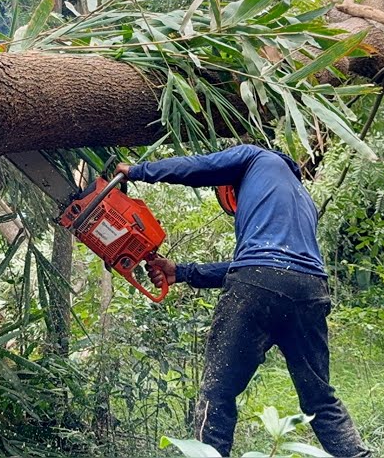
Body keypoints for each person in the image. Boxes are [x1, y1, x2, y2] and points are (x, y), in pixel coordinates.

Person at [115, 145, 369, 458]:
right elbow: (262, 264)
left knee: (217, 393)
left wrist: (138, 171)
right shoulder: (302, 198)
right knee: (319, 397)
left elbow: (202, 166)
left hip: (256, 283)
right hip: (310, 289)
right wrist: (180, 272)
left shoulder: (255, 157)